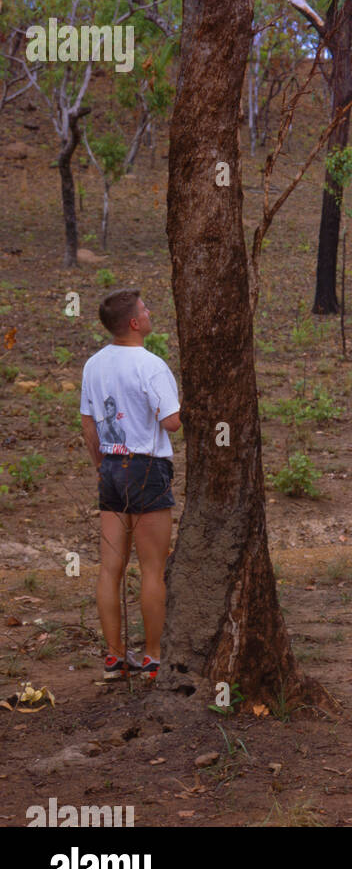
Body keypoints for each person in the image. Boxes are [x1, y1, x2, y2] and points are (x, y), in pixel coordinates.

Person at [80, 289, 181, 681]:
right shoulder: (151, 365)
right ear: (134, 323)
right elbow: (171, 421)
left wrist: (101, 466)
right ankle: (153, 657)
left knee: (110, 568)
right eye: (144, 309)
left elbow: (88, 422)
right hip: (147, 467)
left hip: (111, 468)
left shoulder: (93, 365)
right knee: (153, 569)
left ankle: (114, 657)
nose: (150, 310)